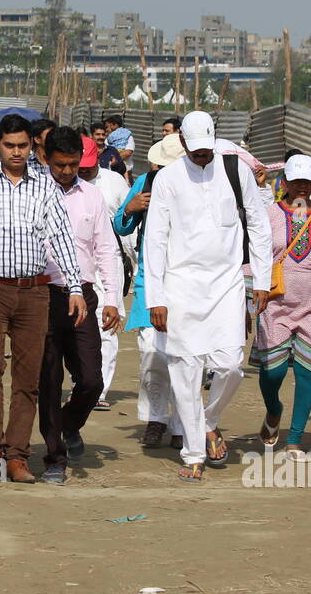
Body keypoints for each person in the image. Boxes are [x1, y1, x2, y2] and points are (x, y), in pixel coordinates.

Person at [0, 114, 85, 485]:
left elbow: (60, 239)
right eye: (9, 146)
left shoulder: (45, 189)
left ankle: (18, 455)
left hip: (35, 292)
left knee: (29, 376)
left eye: (23, 146)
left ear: (32, 147)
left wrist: (75, 286)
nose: (16, 152)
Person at [144, 110, 273, 481]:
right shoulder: (167, 178)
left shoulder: (236, 171)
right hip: (180, 283)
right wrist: (157, 297)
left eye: (206, 150)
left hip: (227, 282)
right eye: (195, 150)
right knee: (184, 368)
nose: (202, 156)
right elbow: (156, 238)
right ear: (182, 143)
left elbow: (259, 225)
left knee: (231, 363)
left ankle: (210, 418)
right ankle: (194, 452)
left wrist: (260, 279)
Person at [37, 128, 122, 483]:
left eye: (74, 165)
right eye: (61, 165)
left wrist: (113, 299)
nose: (68, 171)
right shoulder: (33, 194)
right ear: (46, 159)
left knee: (91, 379)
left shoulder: (92, 197)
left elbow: (106, 248)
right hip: (41, 295)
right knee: (50, 379)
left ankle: (69, 424)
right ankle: (54, 457)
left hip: (84, 295)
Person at [251, 155, 311, 461]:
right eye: (297, 182)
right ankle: (274, 409)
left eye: (307, 182)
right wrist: (248, 293)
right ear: (286, 183)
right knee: (273, 371)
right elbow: (256, 255)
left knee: (307, 373)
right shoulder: (268, 215)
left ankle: (294, 440)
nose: (302, 187)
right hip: (275, 302)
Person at [114, 133, 185, 448]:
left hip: (188, 279)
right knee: (152, 354)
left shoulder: (202, 184)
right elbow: (120, 226)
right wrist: (131, 207)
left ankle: (183, 422)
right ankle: (156, 419)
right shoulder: (144, 181)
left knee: (187, 355)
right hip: (150, 278)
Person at [78, 135, 132, 411]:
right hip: (76, 266)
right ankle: (83, 381)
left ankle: (99, 390)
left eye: (88, 166)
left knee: (107, 328)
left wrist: (133, 259)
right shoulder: (63, 184)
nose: (83, 172)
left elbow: (128, 223)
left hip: (108, 263)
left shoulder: (115, 182)